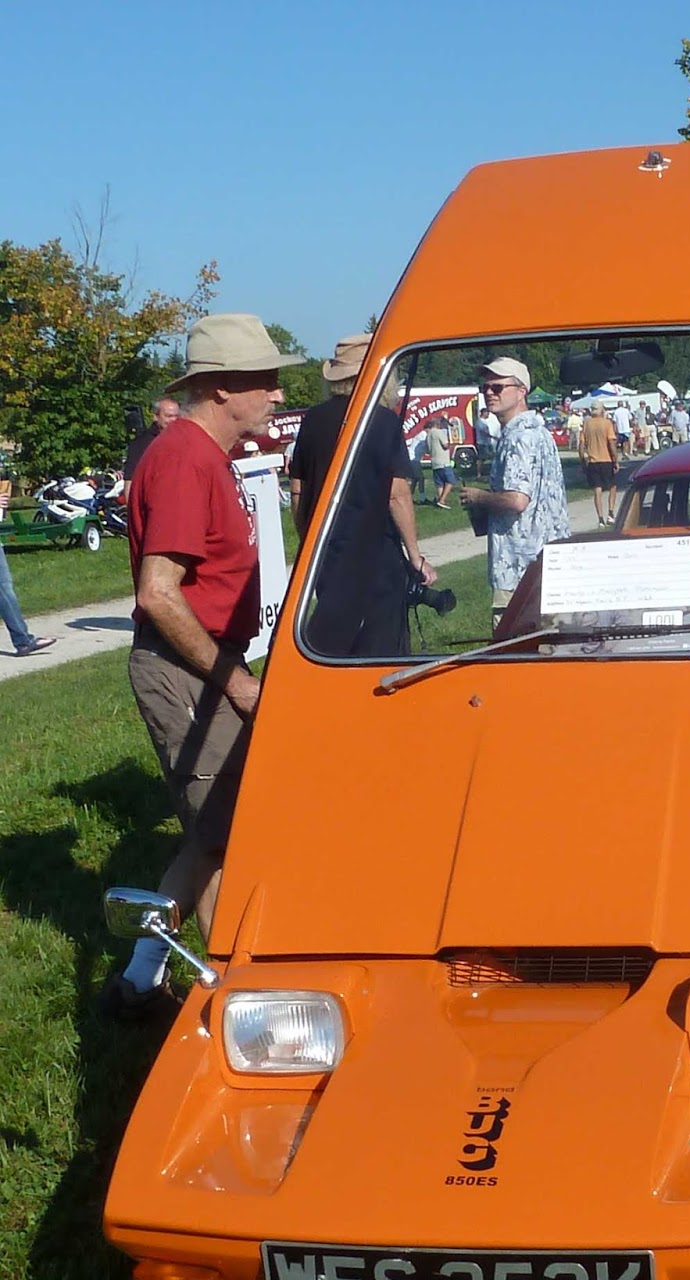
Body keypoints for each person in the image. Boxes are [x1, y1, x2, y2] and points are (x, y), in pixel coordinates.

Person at [101, 314, 304, 1020]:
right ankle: (239, 1006)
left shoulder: (203, 454)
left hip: (208, 665)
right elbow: (158, 594)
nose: (279, 395)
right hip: (188, 670)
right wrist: (236, 680)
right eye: (266, 381)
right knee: (226, 841)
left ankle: (138, 976)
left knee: (217, 832)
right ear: (221, 389)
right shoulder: (185, 458)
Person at [290, 333, 439, 656]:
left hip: (328, 551)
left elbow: (298, 490)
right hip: (376, 552)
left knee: (333, 645)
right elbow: (396, 494)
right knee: (381, 649)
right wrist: (415, 555)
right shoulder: (383, 421)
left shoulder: (312, 420)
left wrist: (309, 542)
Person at [459, 357, 571, 629]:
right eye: (485, 387)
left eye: (498, 387)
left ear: (522, 391)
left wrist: (478, 497)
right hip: (550, 563)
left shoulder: (518, 437)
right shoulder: (538, 432)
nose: (489, 393)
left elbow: (517, 500)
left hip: (518, 568)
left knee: (513, 652)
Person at [578, 400, 620, 525]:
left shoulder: (586, 424)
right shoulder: (607, 423)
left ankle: (600, 518)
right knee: (612, 486)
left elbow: (581, 445)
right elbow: (611, 443)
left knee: (597, 490)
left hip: (592, 461)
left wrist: (582, 461)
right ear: (602, 410)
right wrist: (616, 459)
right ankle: (611, 513)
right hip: (606, 459)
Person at [123, 396, 181, 481]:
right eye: (168, 416)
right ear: (155, 416)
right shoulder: (141, 443)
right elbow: (130, 480)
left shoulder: (184, 440)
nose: (173, 420)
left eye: (176, 416)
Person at [425, 417, 457, 507]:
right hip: (443, 461)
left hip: (434, 462)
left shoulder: (428, 434)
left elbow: (427, 450)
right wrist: (450, 444)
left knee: (439, 483)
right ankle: (442, 500)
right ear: (437, 424)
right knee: (450, 481)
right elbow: (445, 445)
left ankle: (440, 500)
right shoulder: (439, 432)